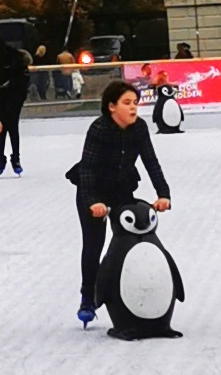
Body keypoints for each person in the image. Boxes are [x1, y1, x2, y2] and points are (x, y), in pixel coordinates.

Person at [67, 81, 172, 328]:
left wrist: (163, 194)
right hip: (93, 190)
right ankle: (88, 297)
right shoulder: (99, 129)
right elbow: (88, 169)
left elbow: (151, 161)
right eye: (127, 103)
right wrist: (93, 203)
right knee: (93, 245)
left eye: (135, 103)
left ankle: (127, 292)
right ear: (112, 106)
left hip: (122, 188)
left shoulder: (139, 128)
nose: (133, 108)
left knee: (129, 240)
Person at [0, 33, 31, 179]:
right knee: (0, 129)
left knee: (13, 128)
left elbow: (23, 78)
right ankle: (0, 159)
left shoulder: (14, 58)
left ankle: (16, 158)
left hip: (13, 99)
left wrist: (16, 89)